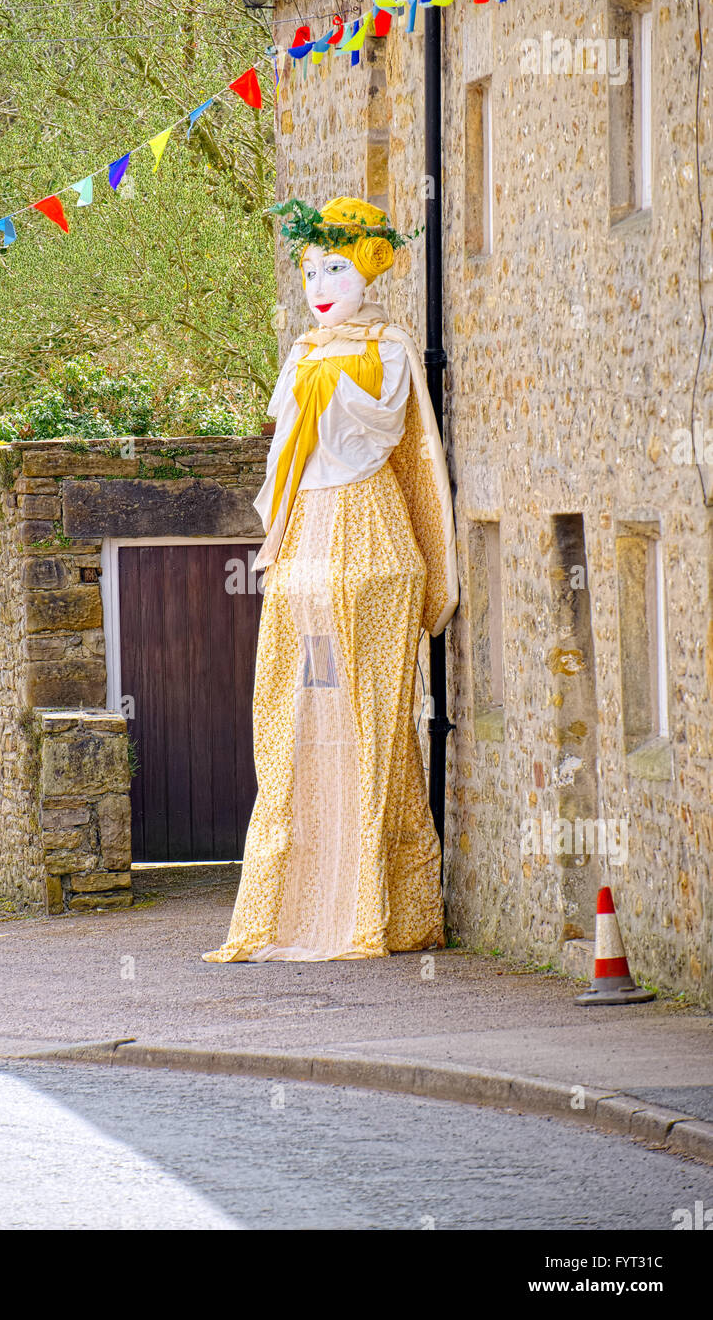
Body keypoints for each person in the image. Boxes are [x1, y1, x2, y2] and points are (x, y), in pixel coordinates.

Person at [202, 196, 458, 962]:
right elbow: (290, 439)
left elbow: (376, 427)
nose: (319, 283)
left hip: (370, 527)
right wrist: (315, 378)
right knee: (293, 715)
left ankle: (380, 908)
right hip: (309, 532)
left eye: (336, 267)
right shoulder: (304, 354)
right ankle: (290, 900)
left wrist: (327, 385)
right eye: (311, 269)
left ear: (369, 270)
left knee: (377, 722)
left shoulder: (388, 347)